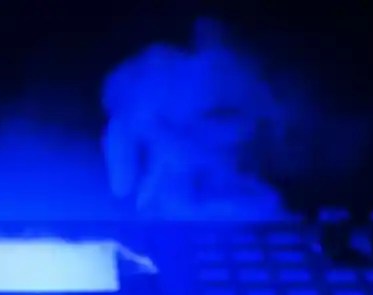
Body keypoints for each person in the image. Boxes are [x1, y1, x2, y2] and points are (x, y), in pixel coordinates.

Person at [101, 18, 285, 220]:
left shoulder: (244, 83)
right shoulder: (160, 75)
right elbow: (121, 128)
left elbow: (262, 124)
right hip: (171, 211)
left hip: (232, 207)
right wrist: (122, 190)